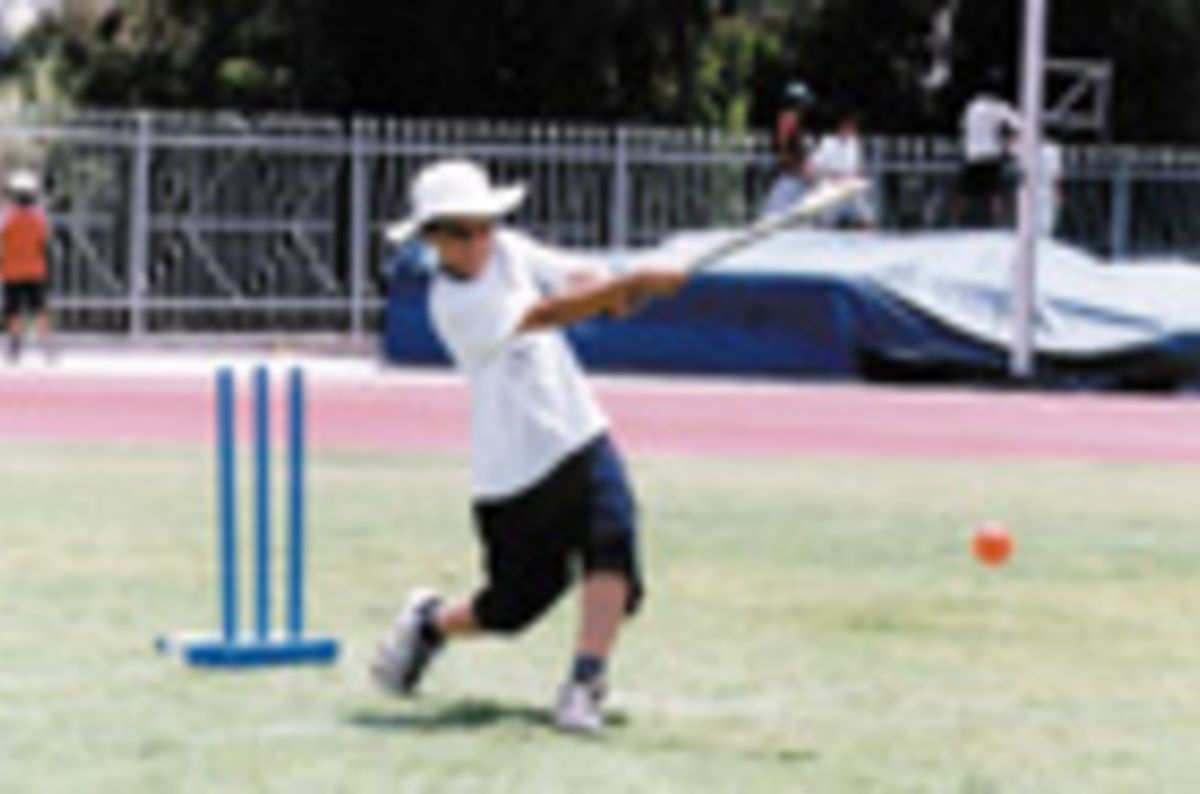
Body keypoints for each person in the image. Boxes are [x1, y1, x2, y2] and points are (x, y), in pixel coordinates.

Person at [371, 159, 687, 734]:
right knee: (511, 608)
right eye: (460, 232)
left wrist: (613, 288)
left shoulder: (510, 250)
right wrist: (619, 291)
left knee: (612, 537)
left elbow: (572, 279)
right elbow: (540, 316)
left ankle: (584, 684)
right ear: (431, 239)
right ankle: (428, 624)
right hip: (513, 473)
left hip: (579, 431)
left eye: (484, 225)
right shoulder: (452, 304)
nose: (478, 241)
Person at [955, 70, 1022, 228]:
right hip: (992, 153)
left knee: (963, 190)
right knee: (995, 192)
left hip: (972, 153)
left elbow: (963, 127)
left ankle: (956, 220)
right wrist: (1009, 144)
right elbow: (1019, 126)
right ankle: (996, 223)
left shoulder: (973, 106)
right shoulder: (1000, 107)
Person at [1, 169, 53, 364]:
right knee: (39, 308)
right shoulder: (39, 217)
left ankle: (15, 344)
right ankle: (46, 345)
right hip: (35, 270)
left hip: (11, 270)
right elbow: (44, 241)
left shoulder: (7, 216)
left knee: (13, 309)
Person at [809, 111, 875, 228]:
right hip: (830, 183)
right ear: (840, 127)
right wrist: (833, 176)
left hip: (848, 184)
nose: (850, 130)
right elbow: (815, 165)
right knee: (828, 211)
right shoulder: (828, 142)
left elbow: (857, 168)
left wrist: (853, 178)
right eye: (847, 127)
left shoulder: (854, 144)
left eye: (852, 128)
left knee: (865, 213)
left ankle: (865, 231)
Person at [761, 81, 815, 217]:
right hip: (788, 177)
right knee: (775, 214)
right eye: (802, 104)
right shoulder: (787, 118)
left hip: (795, 177)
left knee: (794, 214)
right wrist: (800, 168)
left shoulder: (793, 121)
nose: (804, 109)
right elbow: (783, 151)